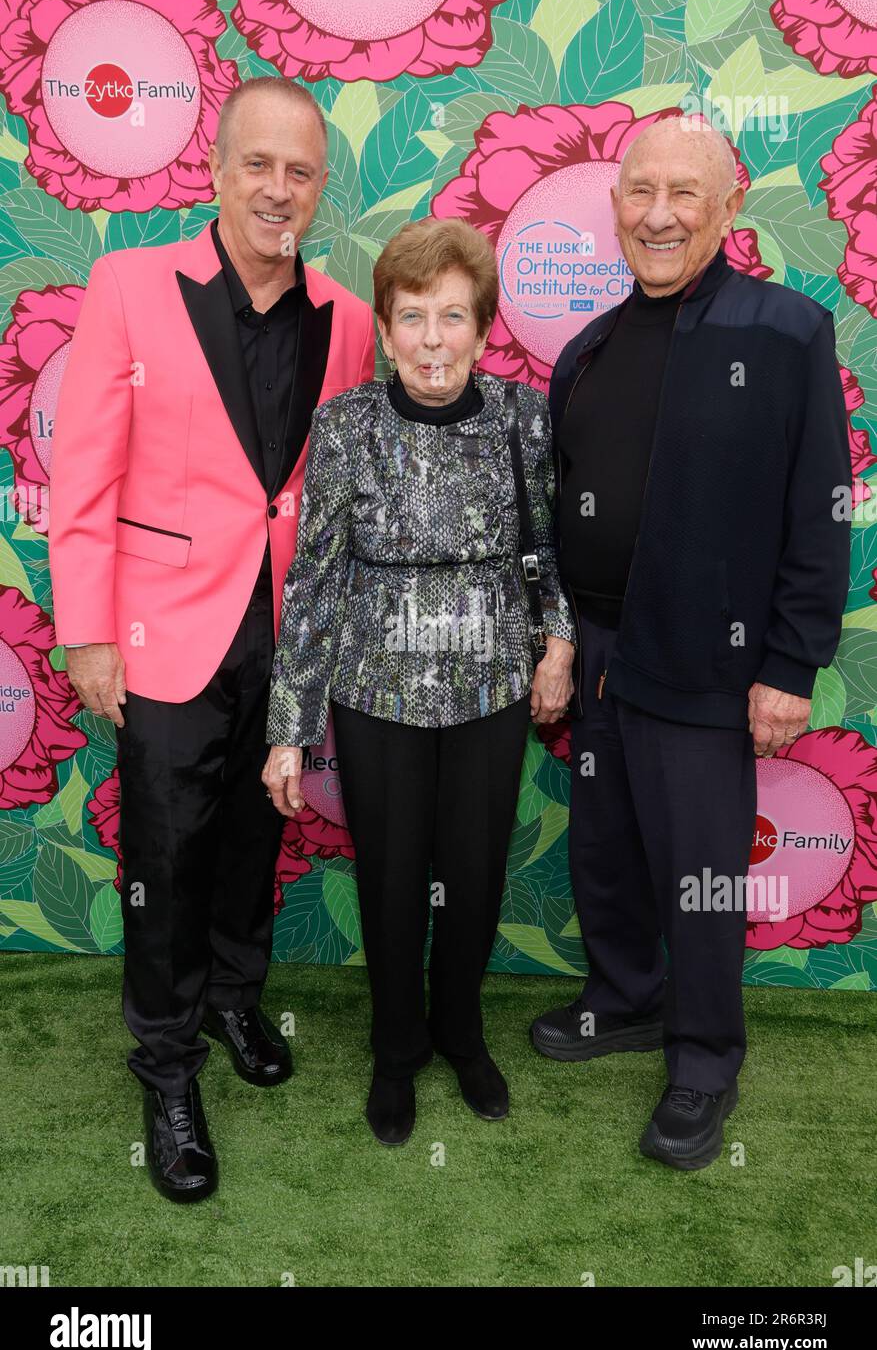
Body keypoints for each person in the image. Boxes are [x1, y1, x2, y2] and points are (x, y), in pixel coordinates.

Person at [49, 77, 375, 1202]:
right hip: (160, 632)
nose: (278, 188)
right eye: (259, 165)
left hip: (282, 634)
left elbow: (324, 492)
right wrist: (88, 631)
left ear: (321, 187)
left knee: (251, 832)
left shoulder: (350, 319)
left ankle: (238, 993)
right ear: (217, 170)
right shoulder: (132, 286)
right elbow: (81, 471)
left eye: (300, 171)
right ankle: (167, 1063)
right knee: (169, 856)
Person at [531, 117, 851, 1170]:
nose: (658, 214)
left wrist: (789, 663)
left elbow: (818, 509)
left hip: (712, 664)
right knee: (606, 855)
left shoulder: (787, 331)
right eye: (639, 192)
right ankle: (624, 998)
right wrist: (564, 643)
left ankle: (706, 1054)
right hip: (600, 655)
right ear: (614, 204)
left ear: (726, 210)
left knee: (702, 877)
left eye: (683, 193)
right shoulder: (588, 349)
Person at [263, 217, 576, 1145]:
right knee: (393, 879)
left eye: (451, 317)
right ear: (384, 329)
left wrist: (555, 645)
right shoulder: (344, 425)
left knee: (473, 876)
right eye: (410, 317)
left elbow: (547, 550)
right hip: (375, 693)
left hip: (489, 688)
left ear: (482, 329)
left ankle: (461, 1032)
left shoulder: (523, 418)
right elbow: (315, 578)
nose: (431, 340)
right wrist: (289, 726)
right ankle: (395, 1048)